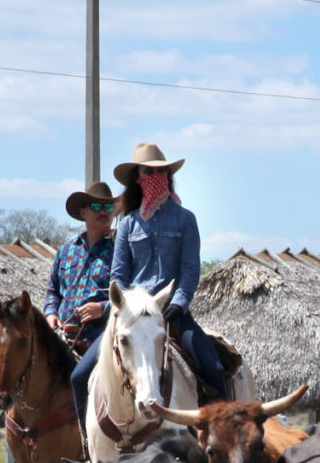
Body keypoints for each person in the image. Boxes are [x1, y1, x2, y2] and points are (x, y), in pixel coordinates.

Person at [72, 143, 224, 420]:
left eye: (161, 171)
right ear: (138, 178)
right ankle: (87, 443)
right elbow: (118, 276)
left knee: (214, 368)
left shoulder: (186, 220)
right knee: (79, 376)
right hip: (132, 315)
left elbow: (190, 270)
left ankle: (223, 435)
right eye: (148, 171)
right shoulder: (128, 224)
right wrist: (124, 306)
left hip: (172, 313)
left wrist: (178, 303)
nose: (156, 176)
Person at [48, 179, 117, 417]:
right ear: (83, 212)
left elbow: (130, 294)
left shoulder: (121, 251)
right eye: (97, 207)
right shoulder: (66, 251)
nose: (104, 213)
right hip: (61, 335)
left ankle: (86, 439)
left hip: (102, 334)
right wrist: (50, 314)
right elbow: (53, 292)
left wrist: (103, 308)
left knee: (83, 378)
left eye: (108, 208)